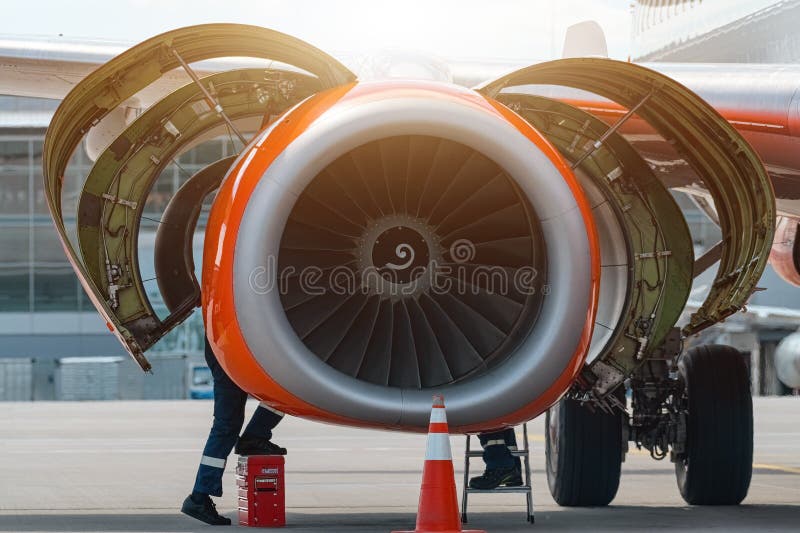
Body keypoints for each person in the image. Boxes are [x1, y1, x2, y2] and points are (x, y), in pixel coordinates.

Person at [181, 338, 287, 526]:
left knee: (284, 392)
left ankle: (254, 437)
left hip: (228, 350)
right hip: (229, 352)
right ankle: (198, 497)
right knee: (227, 425)